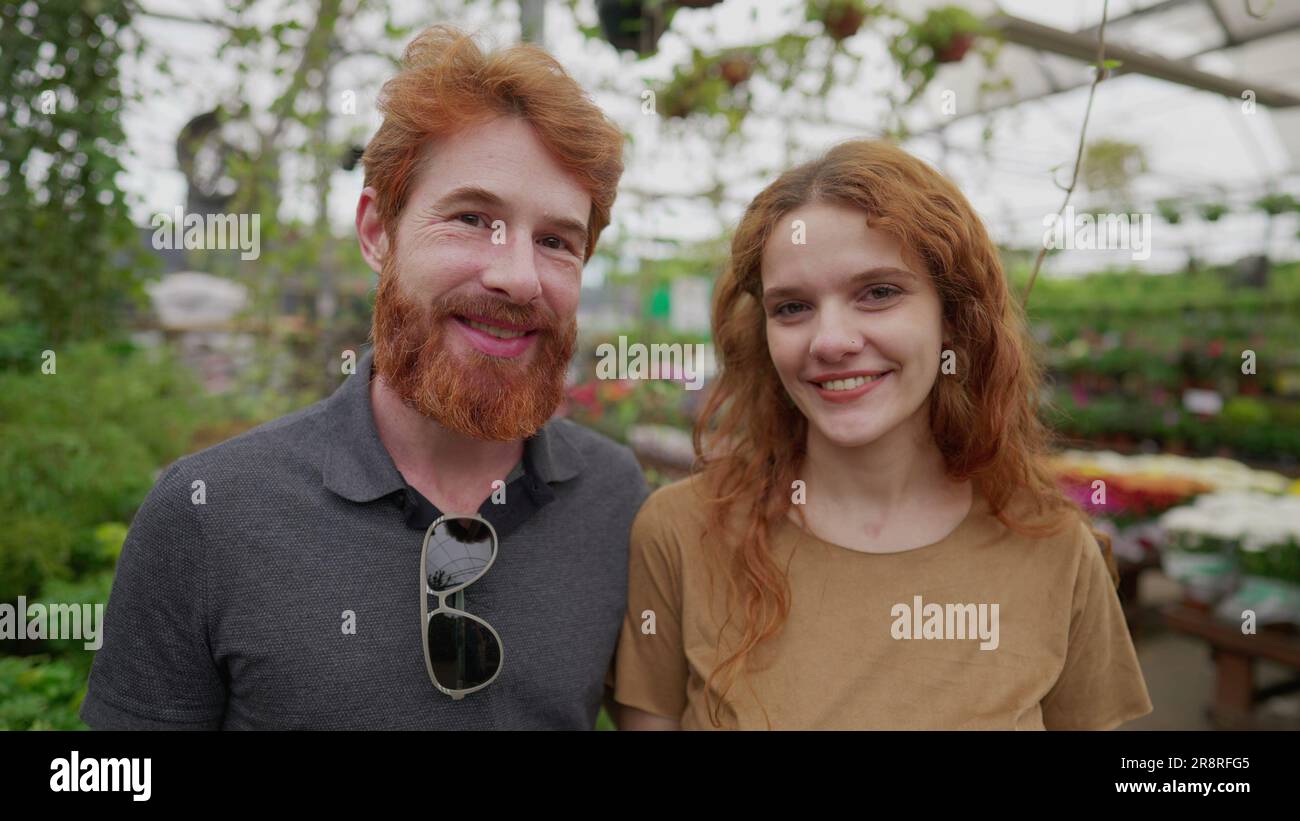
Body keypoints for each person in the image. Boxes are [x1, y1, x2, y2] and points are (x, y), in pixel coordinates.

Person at [81, 25, 648, 729]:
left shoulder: (615, 499)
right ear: (378, 232)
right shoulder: (210, 513)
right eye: (473, 218)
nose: (517, 277)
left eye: (556, 241)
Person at [609, 139, 1153, 730]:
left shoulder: (1053, 549)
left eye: (879, 293)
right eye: (792, 307)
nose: (831, 341)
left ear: (952, 316)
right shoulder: (681, 533)